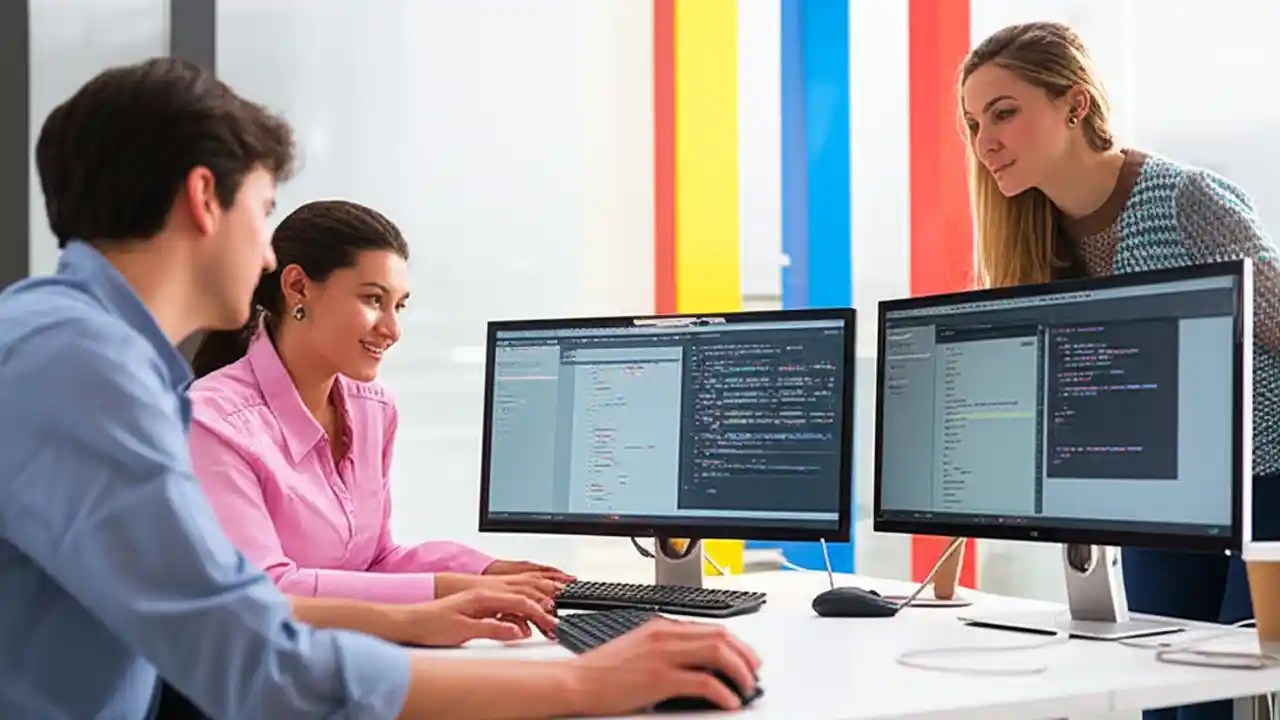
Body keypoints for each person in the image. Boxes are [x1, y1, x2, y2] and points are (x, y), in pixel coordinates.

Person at [0, 56, 760, 719]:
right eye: (264, 212)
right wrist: (585, 684)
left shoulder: (76, 351)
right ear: (205, 198)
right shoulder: (79, 370)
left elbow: (248, 609)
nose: (266, 253)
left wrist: (467, 583)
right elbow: (254, 653)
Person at [958, 21, 1280, 720]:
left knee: (1219, 695)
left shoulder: (1183, 201)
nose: (985, 142)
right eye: (975, 122)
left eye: (1005, 113)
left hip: (1267, 483)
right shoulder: (1034, 238)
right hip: (1163, 499)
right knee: (1155, 696)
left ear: (1075, 104)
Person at [186, 199, 571, 607]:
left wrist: (484, 571)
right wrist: (454, 590)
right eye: (373, 300)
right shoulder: (213, 421)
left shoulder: (375, 408)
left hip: (348, 653)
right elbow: (266, 589)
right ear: (298, 287)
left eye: (399, 306)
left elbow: (376, 561)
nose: (392, 329)